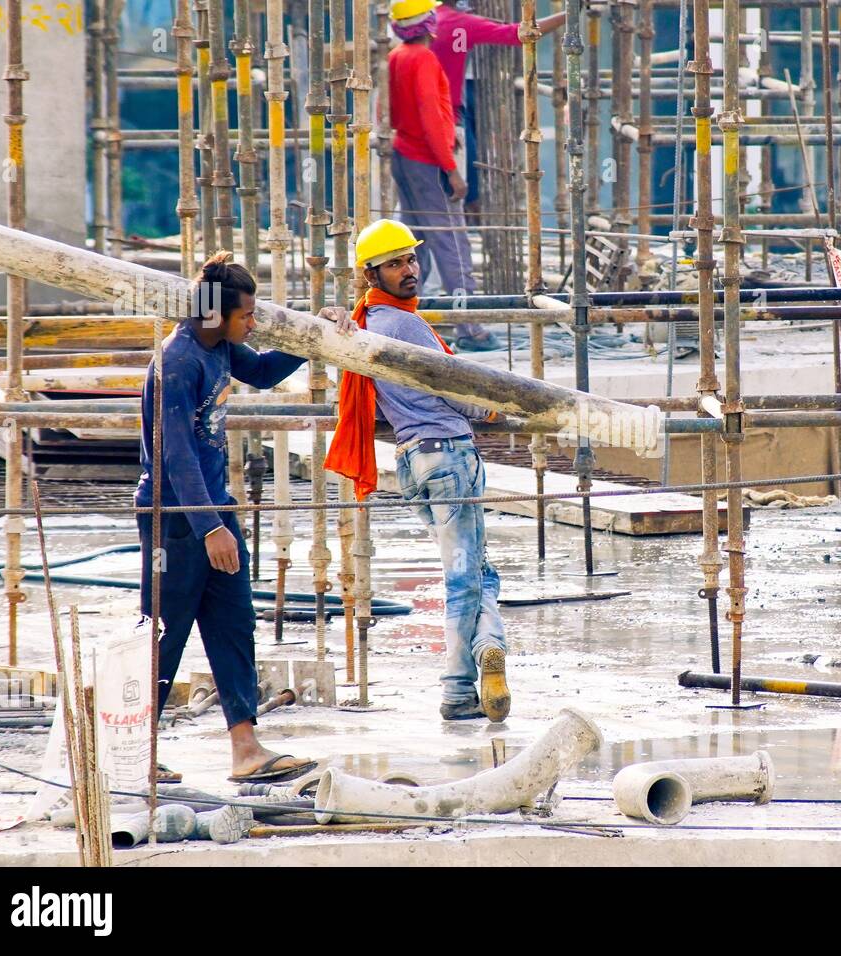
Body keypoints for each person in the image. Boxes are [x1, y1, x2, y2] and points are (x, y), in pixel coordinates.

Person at [137, 252, 316, 784]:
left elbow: (260, 371)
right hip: (176, 517)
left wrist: (310, 341)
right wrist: (209, 527)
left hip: (215, 508)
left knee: (234, 624)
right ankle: (132, 749)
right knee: (164, 632)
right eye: (246, 316)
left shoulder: (220, 349)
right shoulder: (178, 362)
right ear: (215, 315)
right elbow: (176, 457)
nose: (252, 324)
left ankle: (246, 746)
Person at [323, 219, 511, 722]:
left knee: (474, 571)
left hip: (411, 461)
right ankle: (456, 689)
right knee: (463, 579)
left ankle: (489, 645)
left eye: (410, 259)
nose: (410, 270)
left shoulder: (369, 324)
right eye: (395, 264)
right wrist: (489, 409)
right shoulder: (403, 324)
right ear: (371, 274)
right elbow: (450, 385)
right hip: (450, 454)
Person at [387, 0, 497, 351]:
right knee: (451, 243)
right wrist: (451, 170)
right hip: (426, 160)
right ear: (426, 22)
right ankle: (471, 327)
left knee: (411, 241)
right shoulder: (424, 60)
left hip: (403, 155)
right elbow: (431, 119)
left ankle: (400, 319)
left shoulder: (396, 57)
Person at [429, 1, 564, 206]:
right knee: (464, 186)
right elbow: (521, 33)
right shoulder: (461, 22)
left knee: (430, 189)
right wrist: (569, 13)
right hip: (447, 112)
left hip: (428, 110)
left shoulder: (431, 19)